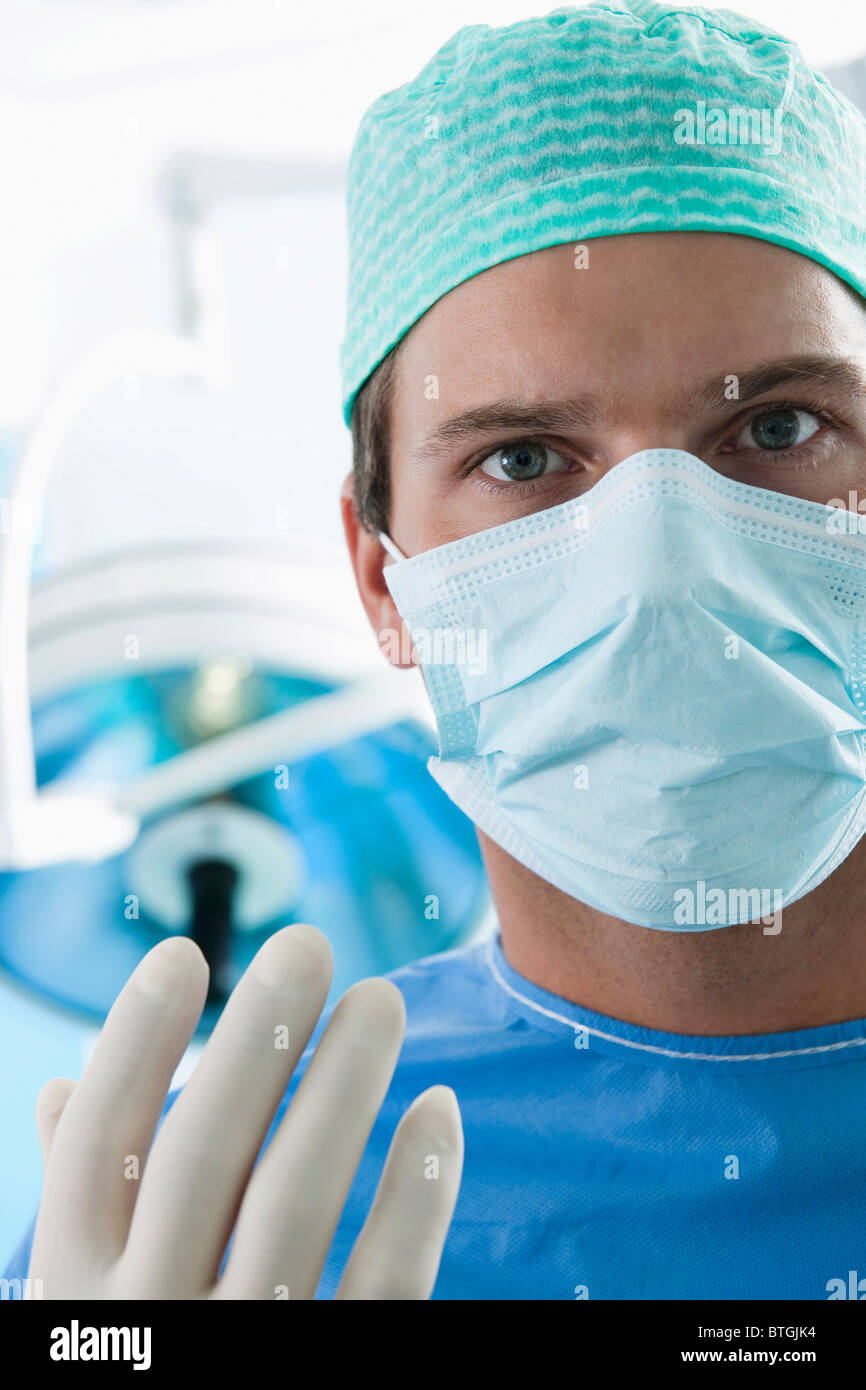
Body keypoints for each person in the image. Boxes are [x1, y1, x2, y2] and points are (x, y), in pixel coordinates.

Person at [5, 0, 866, 1300]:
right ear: (382, 583)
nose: (657, 561)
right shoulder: (206, 1225)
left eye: (781, 428)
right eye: (520, 458)